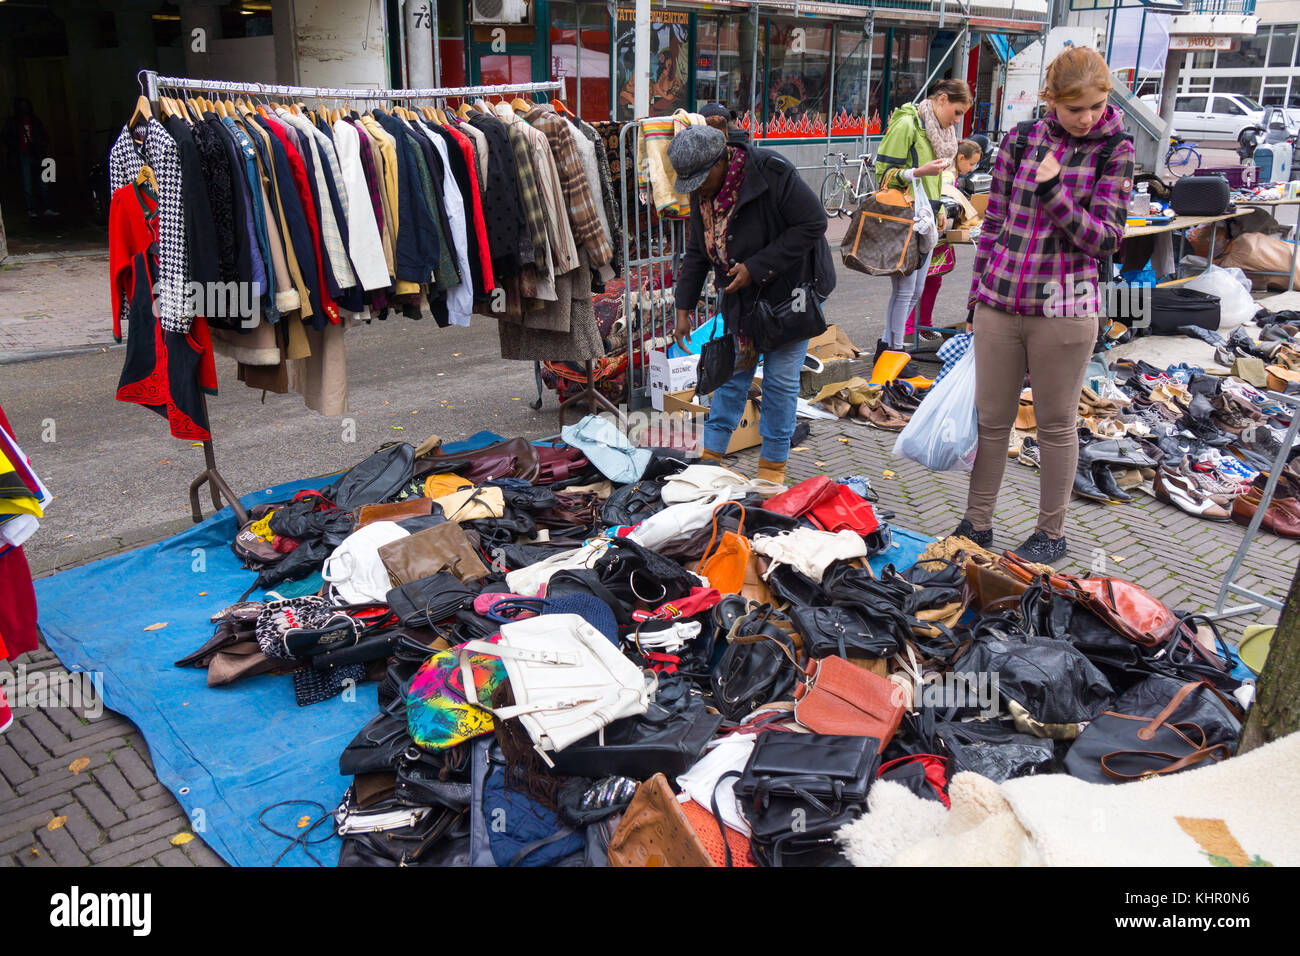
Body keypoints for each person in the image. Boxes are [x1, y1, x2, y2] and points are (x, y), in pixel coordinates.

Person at [952, 46, 1134, 563]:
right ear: (1051, 100)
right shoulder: (1021, 138)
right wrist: (976, 296)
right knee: (991, 420)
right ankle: (977, 521)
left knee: (1055, 423)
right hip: (1001, 299)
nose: (1087, 118)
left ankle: (1050, 533)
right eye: (1076, 108)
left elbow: (1105, 239)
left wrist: (1054, 192)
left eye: (1097, 106)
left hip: (1067, 303)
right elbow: (995, 224)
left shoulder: (1113, 149)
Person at [669, 125, 835, 485]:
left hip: (793, 295)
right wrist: (683, 308)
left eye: (701, 179)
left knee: (779, 382)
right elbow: (698, 251)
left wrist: (756, 268)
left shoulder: (772, 171)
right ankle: (709, 463)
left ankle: (771, 474)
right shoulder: (703, 195)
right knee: (732, 376)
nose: (697, 188)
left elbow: (813, 223)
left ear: (722, 160)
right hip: (742, 299)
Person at [873, 79, 972, 358]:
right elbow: (884, 174)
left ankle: (887, 346)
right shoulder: (907, 124)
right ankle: (893, 351)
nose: (957, 121)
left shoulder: (937, 131)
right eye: (957, 112)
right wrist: (918, 172)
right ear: (942, 99)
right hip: (907, 218)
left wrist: (939, 209)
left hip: (926, 217)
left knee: (915, 290)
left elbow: (935, 180)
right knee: (905, 290)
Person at [904, 138, 983, 338]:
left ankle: (921, 325)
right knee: (925, 281)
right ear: (961, 157)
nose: (972, 168)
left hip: (935, 233)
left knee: (930, 280)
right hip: (932, 233)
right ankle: (914, 328)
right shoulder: (948, 175)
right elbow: (940, 197)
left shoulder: (950, 172)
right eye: (971, 163)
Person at [3, 98, 54, 218]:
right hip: (24, 155)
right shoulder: (14, 122)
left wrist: (39, 145)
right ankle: (32, 209)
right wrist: (16, 146)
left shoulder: (35, 121)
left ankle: (45, 207)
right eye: (22, 106)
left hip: (37, 154)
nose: (24, 109)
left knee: (43, 182)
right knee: (28, 184)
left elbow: (44, 136)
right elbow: (6, 136)